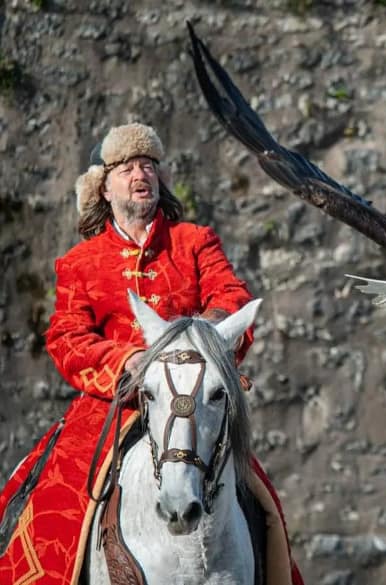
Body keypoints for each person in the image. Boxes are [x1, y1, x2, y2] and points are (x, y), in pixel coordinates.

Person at [0, 123, 305, 585]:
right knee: (43, 501)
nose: (139, 173)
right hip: (112, 405)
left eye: (147, 165)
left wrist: (199, 340)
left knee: (265, 504)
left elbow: (232, 296)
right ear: (105, 186)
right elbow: (66, 338)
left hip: (195, 392)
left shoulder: (194, 241)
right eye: (125, 168)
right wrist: (128, 361)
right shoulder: (79, 263)